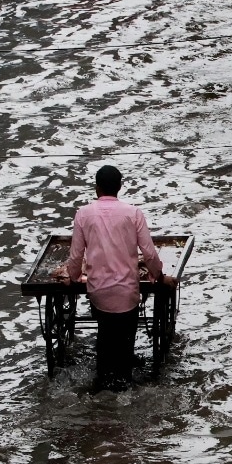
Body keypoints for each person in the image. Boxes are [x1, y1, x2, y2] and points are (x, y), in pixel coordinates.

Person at [64, 165, 169, 390]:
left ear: (97, 188)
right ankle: (123, 383)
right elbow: (149, 253)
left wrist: (73, 277)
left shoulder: (83, 214)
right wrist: (156, 273)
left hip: (99, 294)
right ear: (120, 187)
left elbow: (75, 256)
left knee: (105, 336)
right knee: (125, 344)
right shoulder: (133, 214)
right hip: (127, 294)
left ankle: (102, 380)